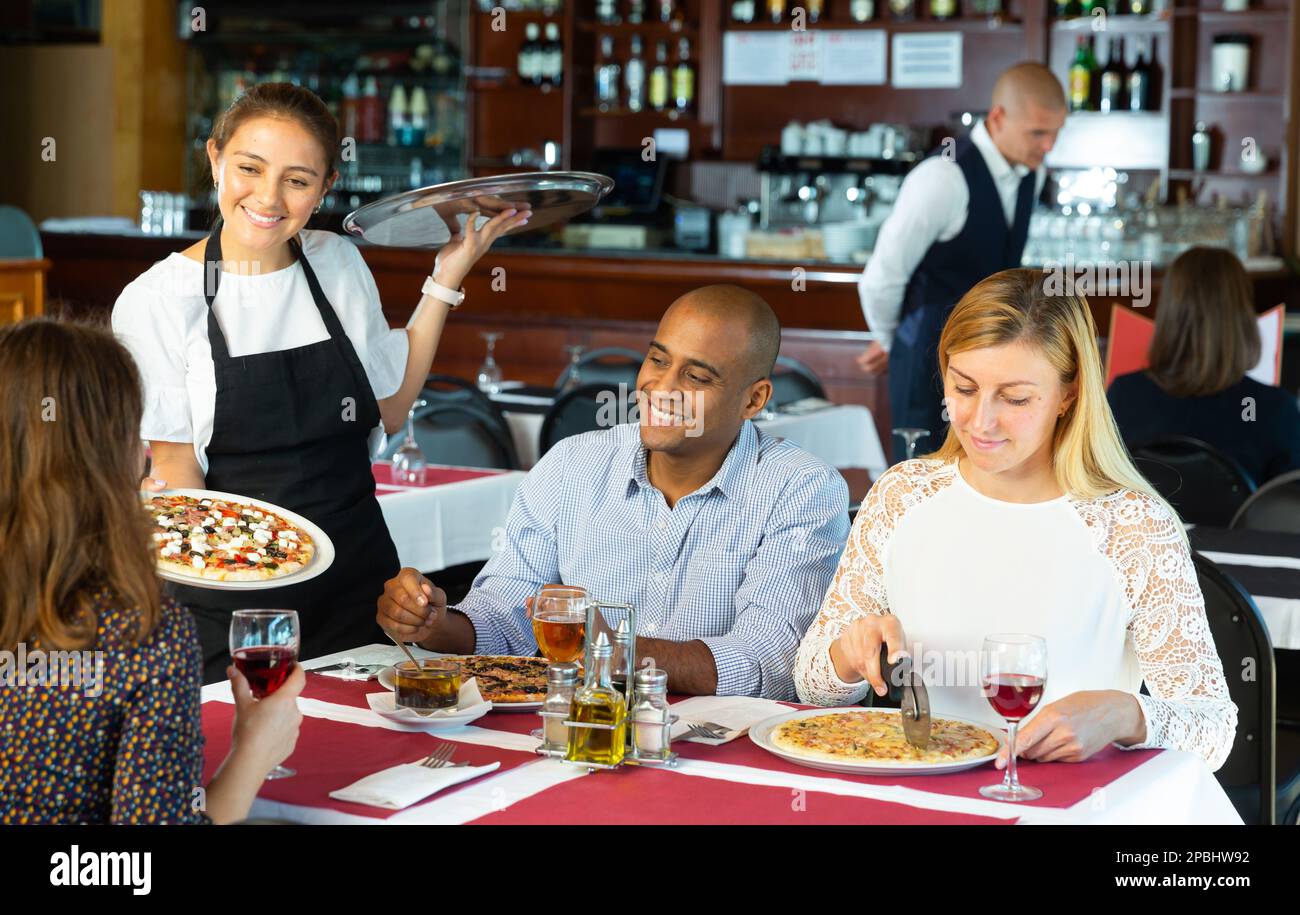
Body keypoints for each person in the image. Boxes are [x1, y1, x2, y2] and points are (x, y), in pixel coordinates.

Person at [112, 83, 526, 682]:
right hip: (237, 606)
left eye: (298, 180)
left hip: (358, 588)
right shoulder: (156, 300)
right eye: (249, 169)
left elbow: (389, 406)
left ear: (327, 187)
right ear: (214, 160)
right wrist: (248, 569)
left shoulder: (337, 263)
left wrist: (447, 272)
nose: (268, 197)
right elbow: (180, 479)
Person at [795, 269, 1237, 771]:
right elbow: (811, 683)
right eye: (964, 388)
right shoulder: (902, 495)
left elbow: (1213, 728)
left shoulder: (1132, 525)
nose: (981, 422)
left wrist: (1125, 714)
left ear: (1069, 394)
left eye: (1015, 398)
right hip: (931, 794)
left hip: (1078, 803)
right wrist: (848, 658)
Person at [378, 285, 849, 700]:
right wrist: (436, 624)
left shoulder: (800, 489)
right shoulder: (572, 464)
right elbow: (505, 614)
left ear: (754, 399)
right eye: (658, 360)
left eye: (697, 377)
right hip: (575, 732)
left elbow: (769, 661)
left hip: (717, 758)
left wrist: (611, 647)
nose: (662, 388)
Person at [0, 319, 303, 824]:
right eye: (131, 433)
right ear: (104, 460)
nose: (144, 457)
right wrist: (255, 749)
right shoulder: (142, 634)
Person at [857, 62, 1067, 461]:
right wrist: (893, 341)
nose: (1048, 146)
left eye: (1056, 133)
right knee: (924, 478)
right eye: (1038, 133)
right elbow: (882, 277)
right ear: (999, 117)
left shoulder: (1031, 174)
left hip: (996, 358)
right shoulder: (942, 177)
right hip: (926, 361)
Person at [1108, 246, 1300, 484]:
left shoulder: (1123, 395)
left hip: (1142, 522)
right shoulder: (1275, 410)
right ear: (1243, 318)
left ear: (1167, 315)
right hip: (1238, 523)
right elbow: (1286, 508)